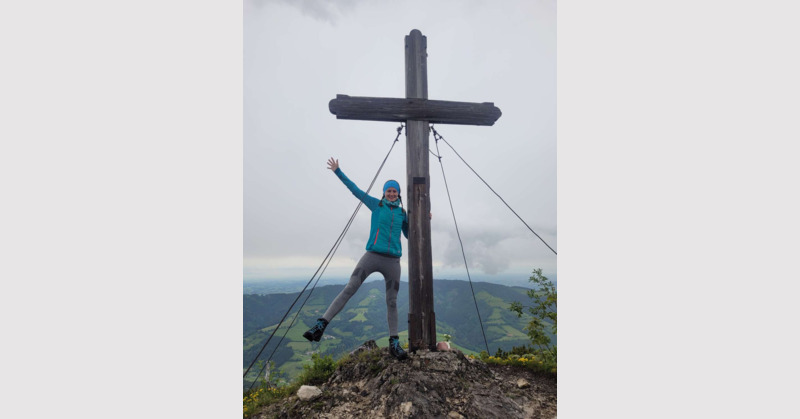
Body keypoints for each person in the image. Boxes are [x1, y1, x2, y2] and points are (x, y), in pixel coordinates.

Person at [303, 157, 410, 360]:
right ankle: (320, 325)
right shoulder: (376, 205)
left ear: (398, 193)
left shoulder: (403, 214)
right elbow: (355, 190)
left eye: (394, 191)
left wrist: (424, 218)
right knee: (350, 288)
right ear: (384, 192)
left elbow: (410, 235)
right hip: (371, 256)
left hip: (393, 261)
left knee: (392, 301)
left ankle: (394, 343)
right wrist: (338, 171)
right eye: (389, 190)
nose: (392, 193)